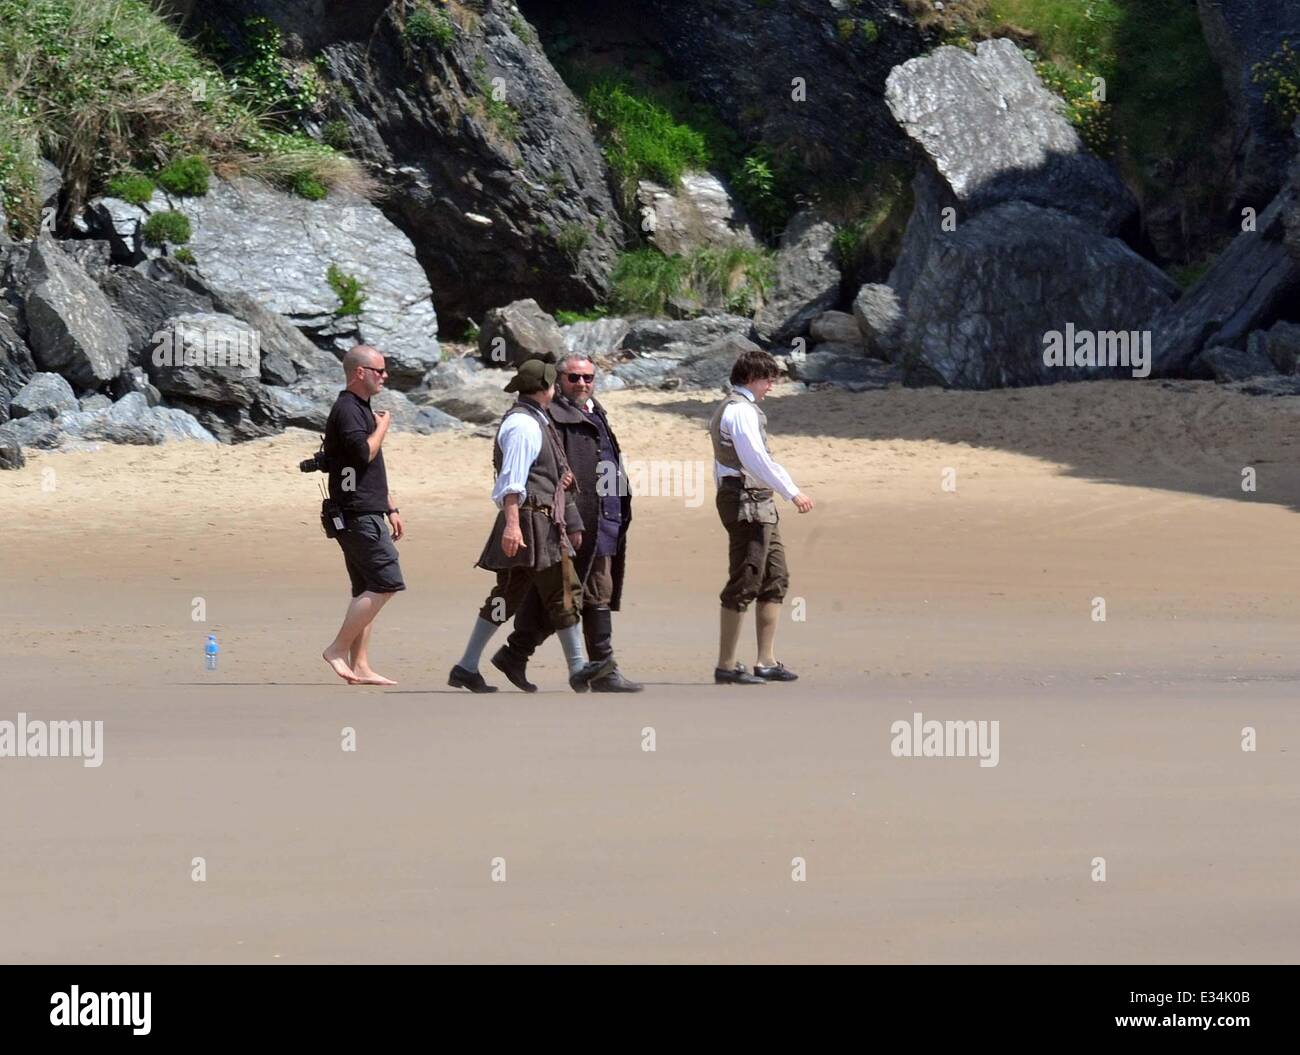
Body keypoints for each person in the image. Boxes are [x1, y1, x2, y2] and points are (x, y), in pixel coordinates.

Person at [448, 357, 614, 693]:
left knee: (507, 597)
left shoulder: (533, 418)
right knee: (565, 592)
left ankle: (466, 667)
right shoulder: (523, 425)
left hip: (533, 520)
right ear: (545, 388)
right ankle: (579, 668)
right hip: (531, 522)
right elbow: (512, 481)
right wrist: (512, 526)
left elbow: (535, 473)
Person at [494, 353, 642, 693]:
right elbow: (550, 474)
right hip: (570, 518)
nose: (582, 384)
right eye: (573, 377)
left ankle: (515, 653)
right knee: (582, 591)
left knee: (569, 592)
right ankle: (602, 670)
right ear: (557, 379)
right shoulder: (551, 418)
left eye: (588, 377)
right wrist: (567, 518)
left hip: (605, 514)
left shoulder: (594, 411)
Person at [708, 348, 814, 685]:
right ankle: (726, 665)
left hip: (756, 500)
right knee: (745, 578)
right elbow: (755, 459)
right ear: (753, 379)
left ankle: (765, 661)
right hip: (746, 501)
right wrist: (792, 491)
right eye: (769, 379)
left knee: (775, 576)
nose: (771, 386)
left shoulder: (740, 409)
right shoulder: (740, 412)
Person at [320, 344, 406, 686]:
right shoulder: (347, 409)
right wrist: (384, 424)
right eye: (379, 371)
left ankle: (361, 664)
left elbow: (370, 469)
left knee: (366, 588)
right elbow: (363, 453)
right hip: (356, 513)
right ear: (360, 372)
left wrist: (391, 506)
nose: (385, 376)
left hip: (368, 508)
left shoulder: (359, 409)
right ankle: (337, 649)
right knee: (386, 582)